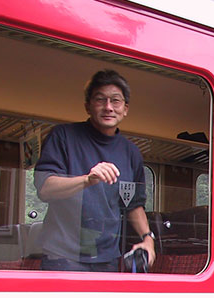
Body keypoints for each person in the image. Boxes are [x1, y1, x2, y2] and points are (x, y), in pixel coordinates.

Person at [35, 69, 155, 272]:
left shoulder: (131, 152)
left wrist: (148, 239)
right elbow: (45, 189)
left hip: (108, 257)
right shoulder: (63, 136)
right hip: (62, 256)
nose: (108, 107)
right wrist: (87, 180)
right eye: (100, 100)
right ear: (87, 106)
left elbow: (134, 205)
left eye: (115, 101)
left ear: (125, 108)